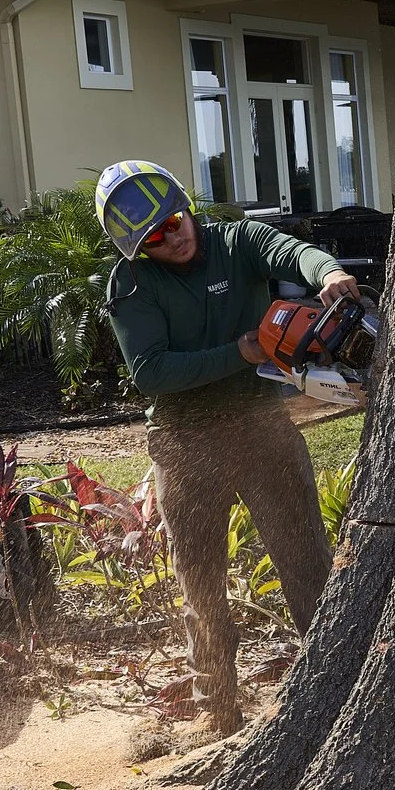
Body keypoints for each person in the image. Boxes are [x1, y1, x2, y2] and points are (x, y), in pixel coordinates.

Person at [98, 159, 358, 734]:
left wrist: (329, 272)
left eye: (174, 220)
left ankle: (336, 699)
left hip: (262, 426)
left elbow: (292, 251)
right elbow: (152, 372)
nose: (173, 235)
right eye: (156, 237)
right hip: (184, 444)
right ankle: (219, 716)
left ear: (184, 205)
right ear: (139, 250)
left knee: (308, 563)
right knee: (203, 587)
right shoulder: (133, 286)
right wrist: (242, 352)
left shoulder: (234, 239)